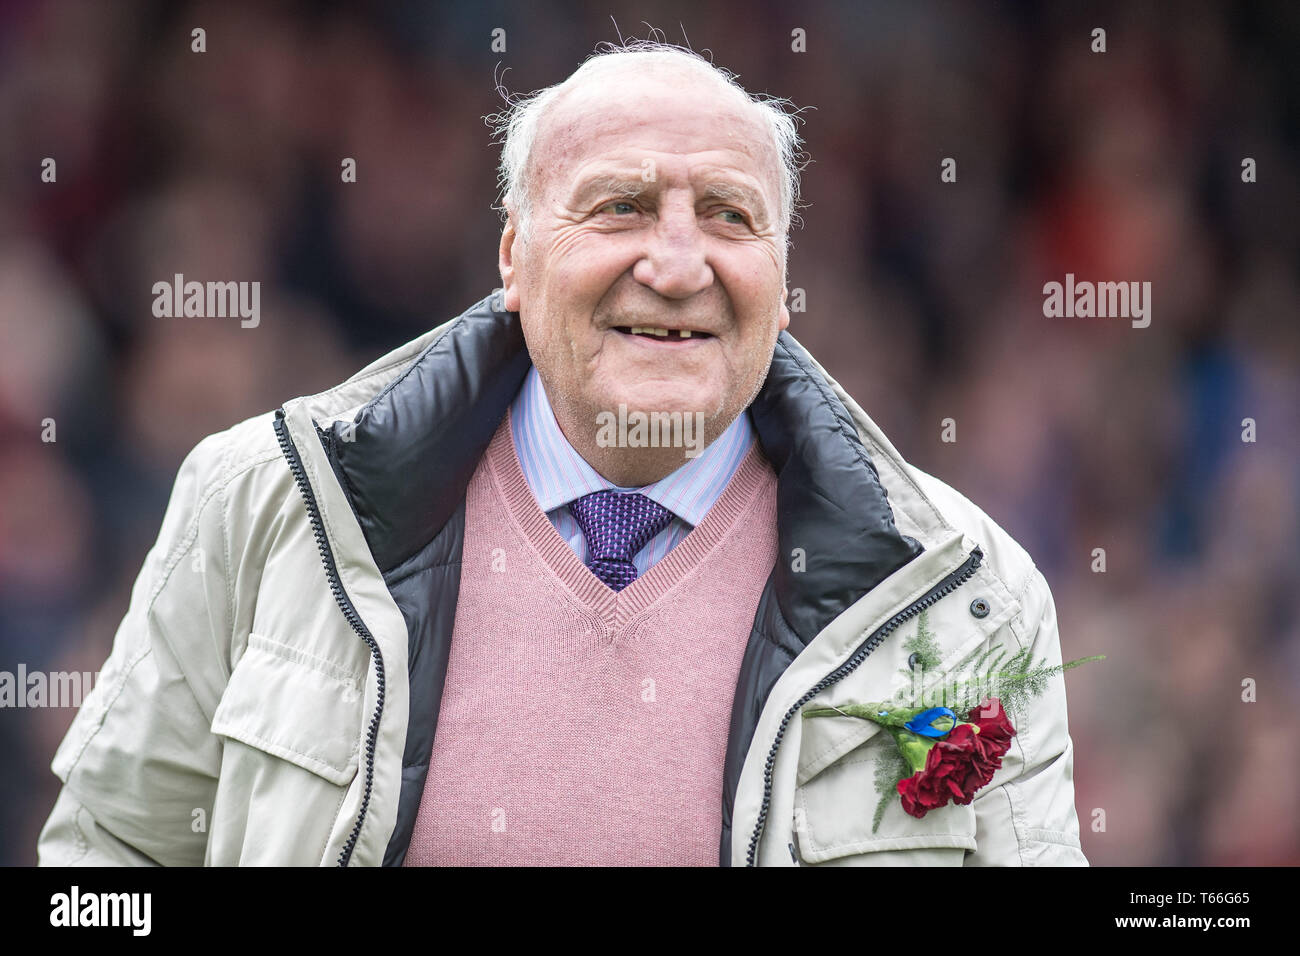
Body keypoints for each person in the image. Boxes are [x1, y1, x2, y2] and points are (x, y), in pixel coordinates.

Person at [37, 40, 1087, 867]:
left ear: (780, 269)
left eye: (727, 215)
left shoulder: (966, 592)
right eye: (621, 206)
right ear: (513, 255)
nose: (677, 265)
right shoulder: (264, 505)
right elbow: (108, 862)